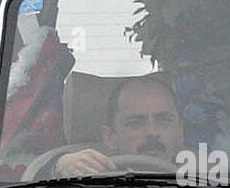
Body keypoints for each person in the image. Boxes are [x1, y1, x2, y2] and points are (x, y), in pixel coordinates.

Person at [54, 75, 184, 176]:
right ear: (110, 137)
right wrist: (59, 166)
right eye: (136, 123)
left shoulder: (201, 178)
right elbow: (37, 177)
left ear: (180, 132)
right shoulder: (86, 180)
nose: (152, 131)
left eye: (164, 121)